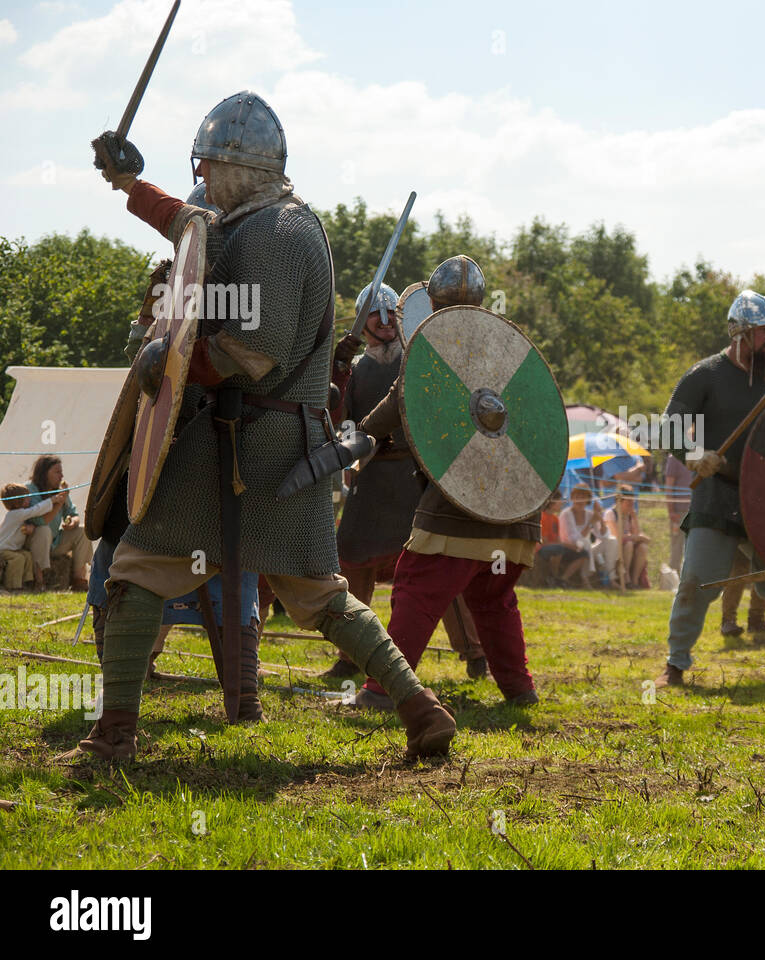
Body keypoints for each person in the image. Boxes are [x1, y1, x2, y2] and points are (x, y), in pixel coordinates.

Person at [67, 90, 456, 762]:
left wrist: (177, 360)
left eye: (210, 166)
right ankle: (422, 710)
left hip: (254, 443)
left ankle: (114, 738)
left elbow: (255, 349)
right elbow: (192, 232)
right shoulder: (249, 223)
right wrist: (132, 183)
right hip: (244, 440)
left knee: (136, 571)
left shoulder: (280, 233)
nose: (204, 178)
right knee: (320, 598)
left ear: (234, 168)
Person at [340, 254, 542, 711]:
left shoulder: (434, 347)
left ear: (429, 302)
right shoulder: (505, 341)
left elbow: (397, 405)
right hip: (517, 501)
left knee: (416, 584)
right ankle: (519, 689)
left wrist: (356, 440)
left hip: (461, 499)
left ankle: (379, 691)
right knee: (493, 596)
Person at [320, 279, 487, 681]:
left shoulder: (417, 358)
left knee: (436, 571)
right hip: (372, 479)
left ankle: (476, 653)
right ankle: (351, 656)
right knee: (352, 563)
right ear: (361, 324)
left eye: (388, 313)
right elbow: (339, 422)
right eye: (373, 315)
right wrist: (338, 371)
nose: (382, 322)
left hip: (416, 479)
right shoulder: (356, 371)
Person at [654, 289, 765, 686]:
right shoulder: (705, 375)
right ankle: (675, 665)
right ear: (739, 333)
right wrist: (693, 454)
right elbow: (669, 424)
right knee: (696, 579)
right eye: (763, 332)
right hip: (719, 494)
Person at [24, 456, 92, 590]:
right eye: (57, 472)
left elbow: (73, 514)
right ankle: (40, 580)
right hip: (33, 542)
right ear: (44, 473)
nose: (61, 476)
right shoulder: (30, 489)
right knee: (43, 530)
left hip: (54, 542)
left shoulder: (59, 490)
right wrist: (59, 501)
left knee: (83, 531)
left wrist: (72, 522)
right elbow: (40, 521)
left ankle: (78, 579)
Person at [1, 482, 54, 590]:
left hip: (13, 549)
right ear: (17, 502)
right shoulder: (16, 514)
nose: (29, 499)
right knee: (18, 559)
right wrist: (52, 501)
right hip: (3, 549)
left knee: (28, 556)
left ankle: (27, 582)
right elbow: (36, 510)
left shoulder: (19, 515)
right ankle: (13, 585)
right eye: (26, 498)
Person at [558, 485, 602, 587]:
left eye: (583, 497)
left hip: (585, 547)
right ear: (572, 498)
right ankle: (585, 578)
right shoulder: (566, 514)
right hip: (569, 546)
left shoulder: (590, 514)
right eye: (577, 496)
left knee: (610, 541)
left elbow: (602, 535)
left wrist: (599, 515)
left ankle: (611, 578)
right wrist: (590, 524)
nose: (580, 500)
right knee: (586, 543)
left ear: (588, 500)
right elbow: (572, 538)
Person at [608, 485, 651, 589]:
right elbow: (616, 535)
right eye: (629, 502)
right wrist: (635, 537)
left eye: (633, 502)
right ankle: (626, 578)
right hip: (614, 547)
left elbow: (636, 533)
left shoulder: (629, 515)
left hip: (628, 544)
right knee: (629, 544)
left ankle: (635, 580)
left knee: (642, 547)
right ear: (620, 502)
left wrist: (635, 518)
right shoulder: (610, 514)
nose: (631, 505)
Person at [663, 453, 692, 574]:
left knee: (690, 547)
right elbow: (669, 487)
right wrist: (671, 510)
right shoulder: (673, 458)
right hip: (679, 511)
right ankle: (673, 576)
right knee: (677, 546)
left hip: (694, 509)